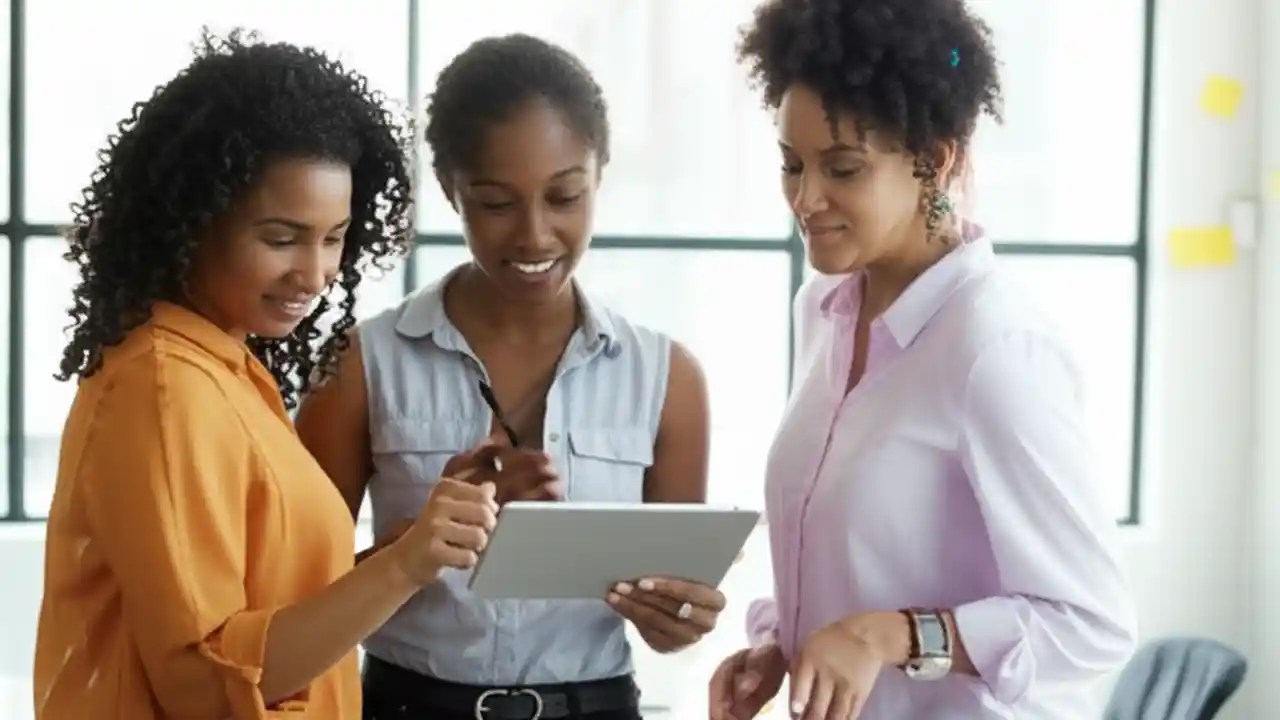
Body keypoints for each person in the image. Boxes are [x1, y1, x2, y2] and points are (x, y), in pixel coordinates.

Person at [33, 31, 501, 720]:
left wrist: (409, 546)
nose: (313, 274)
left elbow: (274, 613)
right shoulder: (165, 388)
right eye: (281, 238)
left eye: (334, 237)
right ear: (193, 223)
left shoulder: (225, 370)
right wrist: (403, 568)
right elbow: (206, 687)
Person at [708, 1, 1138, 718]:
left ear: (933, 159)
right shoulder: (821, 313)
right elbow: (855, 551)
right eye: (791, 164)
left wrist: (889, 636)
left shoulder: (997, 351)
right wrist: (785, 648)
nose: (806, 199)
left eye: (842, 168)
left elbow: (1092, 625)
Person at [293, 33, 723, 720]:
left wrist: (677, 621)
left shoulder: (668, 379)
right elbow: (293, 610)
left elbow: (673, 613)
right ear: (450, 190)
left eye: (565, 197)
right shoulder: (359, 367)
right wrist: (416, 545)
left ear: (599, 175)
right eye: (496, 203)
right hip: (406, 706)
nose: (534, 235)